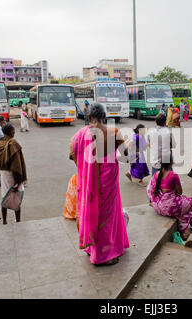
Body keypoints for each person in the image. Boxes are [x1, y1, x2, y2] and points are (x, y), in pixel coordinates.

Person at [70, 103, 129, 266]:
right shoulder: (113, 132)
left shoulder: (81, 134)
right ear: (104, 117)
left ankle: (92, 249)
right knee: (107, 217)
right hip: (109, 181)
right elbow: (126, 156)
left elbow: (72, 154)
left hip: (90, 183)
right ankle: (103, 255)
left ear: (90, 118)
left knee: (93, 214)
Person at [146, 155, 192, 241]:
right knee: (191, 201)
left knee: (183, 204)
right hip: (170, 208)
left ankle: (190, 226)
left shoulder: (156, 174)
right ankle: (188, 228)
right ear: (171, 163)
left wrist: (154, 202)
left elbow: (150, 190)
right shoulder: (174, 175)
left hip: (159, 207)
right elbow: (180, 192)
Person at [0, 123, 27, 224]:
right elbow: (17, 164)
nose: (14, 132)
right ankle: (18, 220)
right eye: (13, 130)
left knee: (4, 197)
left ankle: (4, 221)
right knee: (16, 198)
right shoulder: (13, 143)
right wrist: (18, 180)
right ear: (11, 132)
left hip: (3, 174)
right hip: (12, 174)